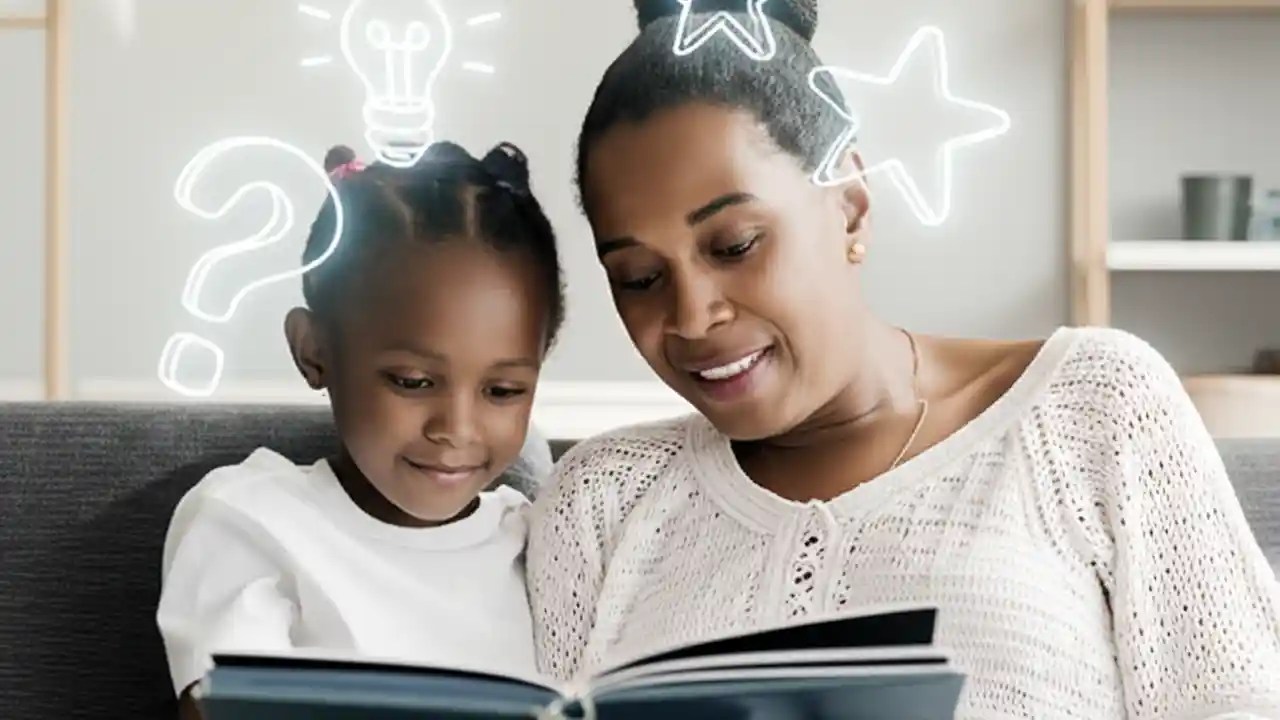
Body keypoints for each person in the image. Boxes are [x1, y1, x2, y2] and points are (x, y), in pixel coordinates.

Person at [526, 1, 1280, 718]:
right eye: (640, 279)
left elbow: (1237, 702)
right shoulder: (603, 499)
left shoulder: (1093, 406)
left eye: (735, 246)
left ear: (850, 204)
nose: (692, 316)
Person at [157, 140, 565, 719]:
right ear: (314, 351)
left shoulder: (539, 541)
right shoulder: (251, 518)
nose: (457, 428)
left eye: (503, 391)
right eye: (414, 381)